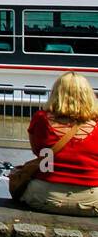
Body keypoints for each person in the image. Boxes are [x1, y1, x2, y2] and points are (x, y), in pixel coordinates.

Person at [20, 72, 98, 216]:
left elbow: (36, 150)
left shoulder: (41, 119)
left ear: (56, 93)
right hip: (91, 200)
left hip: (44, 195)